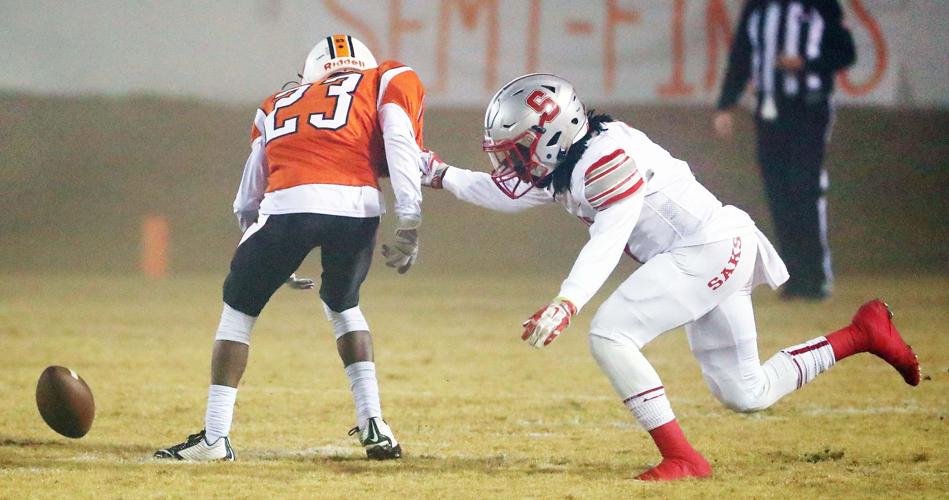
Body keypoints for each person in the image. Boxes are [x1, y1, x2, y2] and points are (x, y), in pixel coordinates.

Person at [422, 74, 919, 480]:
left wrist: (568, 301)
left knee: (611, 333)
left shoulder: (604, 159)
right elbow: (505, 193)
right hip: (709, 250)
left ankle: (682, 457)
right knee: (746, 393)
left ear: (550, 137)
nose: (509, 161)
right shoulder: (576, 155)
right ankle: (863, 333)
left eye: (515, 149)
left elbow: (609, 238)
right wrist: (438, 173)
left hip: (704, 249)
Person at [154, 34, 428, 461]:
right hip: (358, 207)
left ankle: (214, 438)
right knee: (342, 304)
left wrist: (263, 249)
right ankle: (374, 422)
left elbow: (249, 195)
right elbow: (398, 140)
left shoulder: (276, 102)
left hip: (289, 206)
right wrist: (409, 217)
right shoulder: (386, 77)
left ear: (312, 71)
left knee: (238, 312)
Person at [714, 0, 856, 300]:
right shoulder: (758, 7)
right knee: (778, 192)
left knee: (805, 188)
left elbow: (846, 52)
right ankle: (794, 275)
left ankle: (815, 276)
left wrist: (805, 63)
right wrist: (726, 103)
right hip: (768, 111)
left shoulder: (821, 5)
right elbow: (741, 55)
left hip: (809, 108)